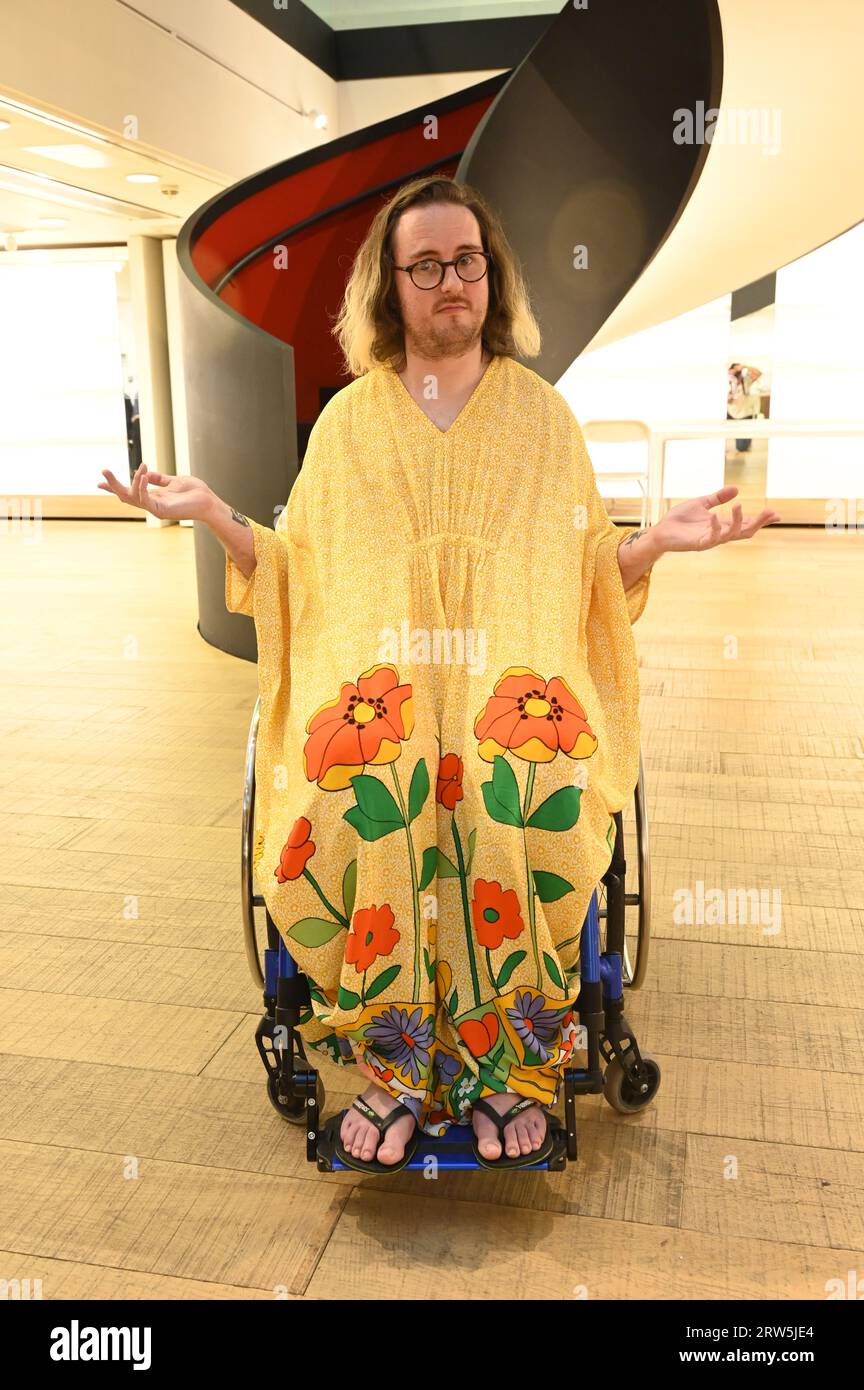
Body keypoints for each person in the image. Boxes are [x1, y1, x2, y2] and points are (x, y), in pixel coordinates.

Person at [99, 176, 780, 1173]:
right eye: (426, 265)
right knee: (363, 793)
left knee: (519, 790)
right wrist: (210, 513)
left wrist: (649, 545)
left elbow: (585, 574)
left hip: (513, 688)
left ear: (491, 276)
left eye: (468, 260)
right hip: (385, 688)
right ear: (393, 285)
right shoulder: (347, 426)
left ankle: (506, 1068)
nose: (451, 281)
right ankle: (397, 1070)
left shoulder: (544, 419)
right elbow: (298, 566)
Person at [727, 361, 762, 452]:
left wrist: (744, 366)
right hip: (730, 414)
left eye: (737, 373)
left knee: (742, 448)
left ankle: (746, 436)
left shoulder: (745, 381)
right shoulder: (727, 382)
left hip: (744, 414)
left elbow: (758, 373)